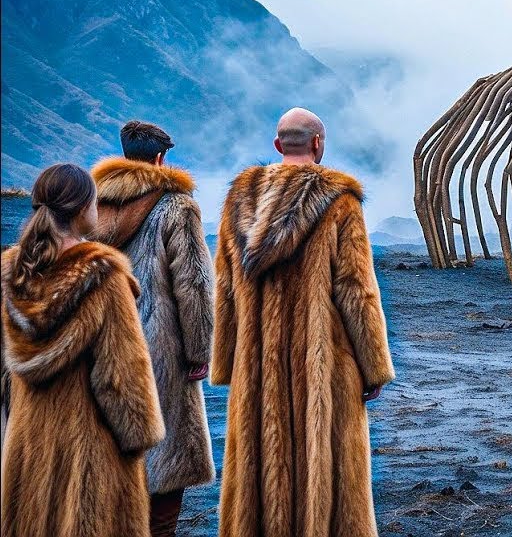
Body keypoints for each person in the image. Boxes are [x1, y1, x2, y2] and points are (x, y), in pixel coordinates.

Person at [212, 108, 394, 537]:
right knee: (327, 467)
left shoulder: (239, 202)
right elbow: (356, 290)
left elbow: (225, 289)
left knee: (260, 468)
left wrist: (227, 363)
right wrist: (374, 367)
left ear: (278, 145)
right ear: (317, 144)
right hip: (323, 368)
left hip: (257, 369)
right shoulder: (340, 202)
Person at [1, 163, 164, 537]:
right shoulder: (104, 278)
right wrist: (140, 438)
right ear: (80, 209)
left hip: (26, 446)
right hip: (88, 453)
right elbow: (121, 379)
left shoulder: (12, 274)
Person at [91, 121, 216, 537]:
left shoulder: (93, 204)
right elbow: (193, 283)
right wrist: (198, 351)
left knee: (114, 449)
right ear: (161, 158)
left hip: (103, 345)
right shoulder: (177, 206)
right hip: (160, 349)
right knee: (167, 457)